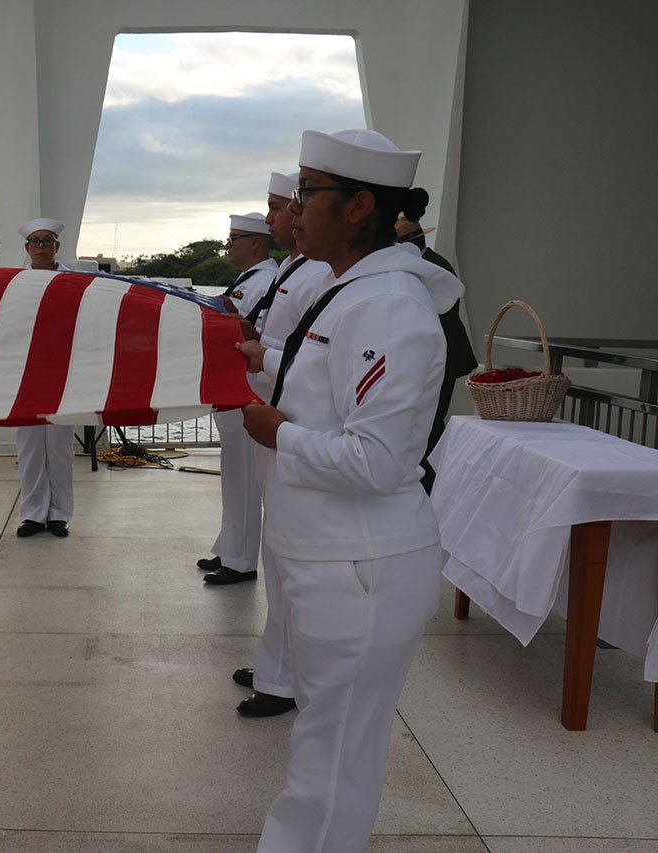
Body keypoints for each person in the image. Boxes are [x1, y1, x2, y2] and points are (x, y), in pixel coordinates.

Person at [237, 128, 463, 852]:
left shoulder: (389, 305)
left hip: (360, 568)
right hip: (329, 560)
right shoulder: (349, 291)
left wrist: (278, 432)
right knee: (327, 753)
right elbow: (329, 388)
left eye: (308, 193)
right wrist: (264, 360)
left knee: (330, 768)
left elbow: (377, 459)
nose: (295, 210)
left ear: (361, 205)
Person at [227, 172, 333, 718]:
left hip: (291, 424)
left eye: (283, 205)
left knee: (289, 557)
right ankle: (277, 663)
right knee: (276, 554)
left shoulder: (318, 275)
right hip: (274, 416)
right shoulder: (297, 268)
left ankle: (285, 677)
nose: (275, 218)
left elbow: (307, 357)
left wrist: (260, 350)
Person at [200, 213, 277, 585]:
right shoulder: (250, 279)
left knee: (244, 475)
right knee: (233, 472)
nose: (228, 244)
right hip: (235, 387)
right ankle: (230, 546)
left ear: (256, 242)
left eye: (235, 237)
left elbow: (240, 324)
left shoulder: (263, 280)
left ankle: (242, 560)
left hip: (249, 388)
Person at [394, 207, 478, 492]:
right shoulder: (427, 263)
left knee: (430, 426)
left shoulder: (433, 268)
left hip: (446, 357)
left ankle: (435, 484)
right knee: (428, 424)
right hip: (440, 356)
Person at [13, 217, 75, 539]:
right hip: (26, 373)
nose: (41, 247)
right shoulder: (16, 284)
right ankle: (33, 513)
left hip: (62, 372)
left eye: (46, 241)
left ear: (56, 246)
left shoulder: (73, 282)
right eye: (35, 242)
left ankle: (59, 515)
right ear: (27, 248)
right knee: (30, 446)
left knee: (59, 446)